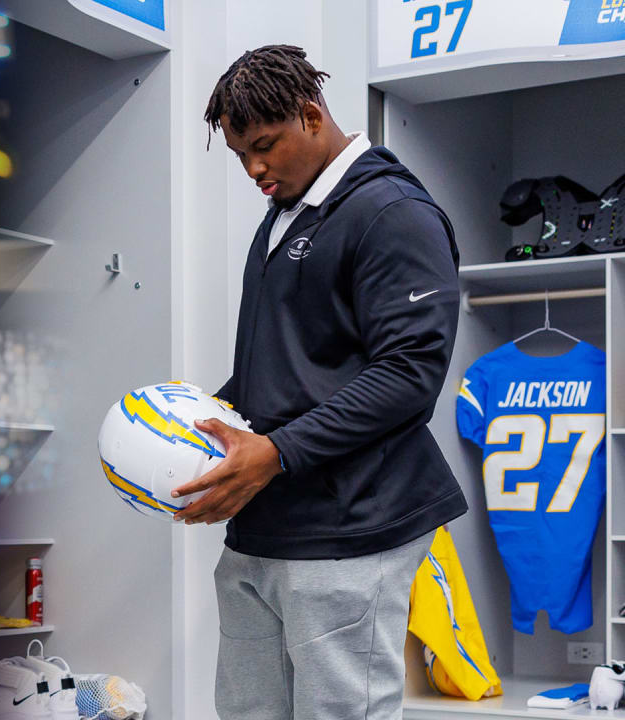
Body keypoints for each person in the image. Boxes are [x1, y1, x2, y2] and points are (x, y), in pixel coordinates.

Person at [173, 45, 468, 719]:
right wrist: (195, 419)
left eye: (265, 146)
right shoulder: (286, 216)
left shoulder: (392, 212)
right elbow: (289, 367)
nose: (253, 168)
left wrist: (274, 452)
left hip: (352, 524)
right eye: (239, 153)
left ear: (311, 116)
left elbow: (409, 375)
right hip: (264, 524)